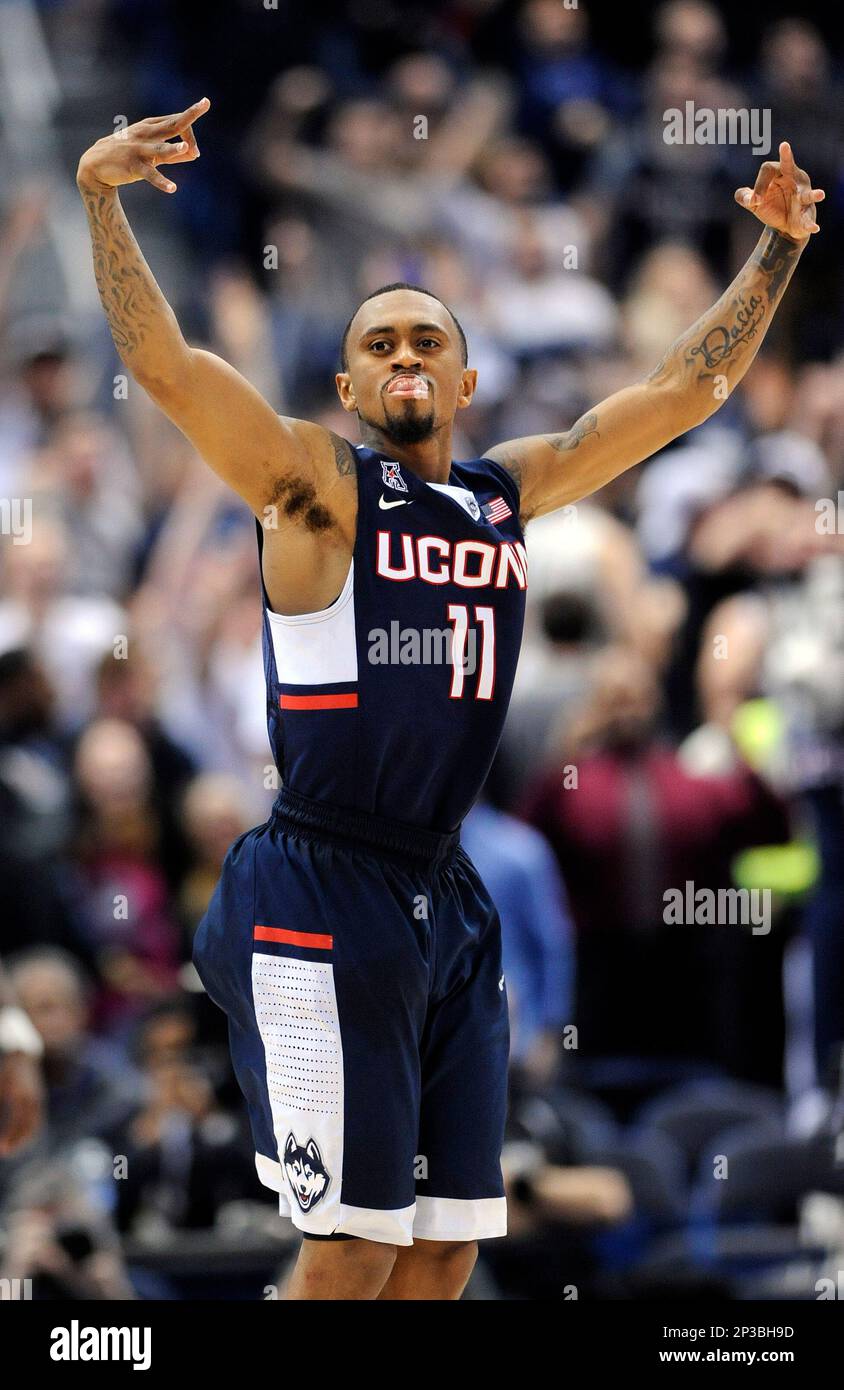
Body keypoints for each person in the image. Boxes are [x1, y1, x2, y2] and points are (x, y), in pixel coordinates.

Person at [75, 96, 822, 1299]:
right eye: (380, 344)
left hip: (442, 884)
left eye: (427, 340)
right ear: (346, 379)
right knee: (354, 1242)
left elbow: (683, 395)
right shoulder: (313, 484)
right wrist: (101, 200)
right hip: (321, 880)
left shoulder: (503, 492)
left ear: (466, 376)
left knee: (444, 1247)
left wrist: (777, 249)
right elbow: (165, 367)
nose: (405, 357)